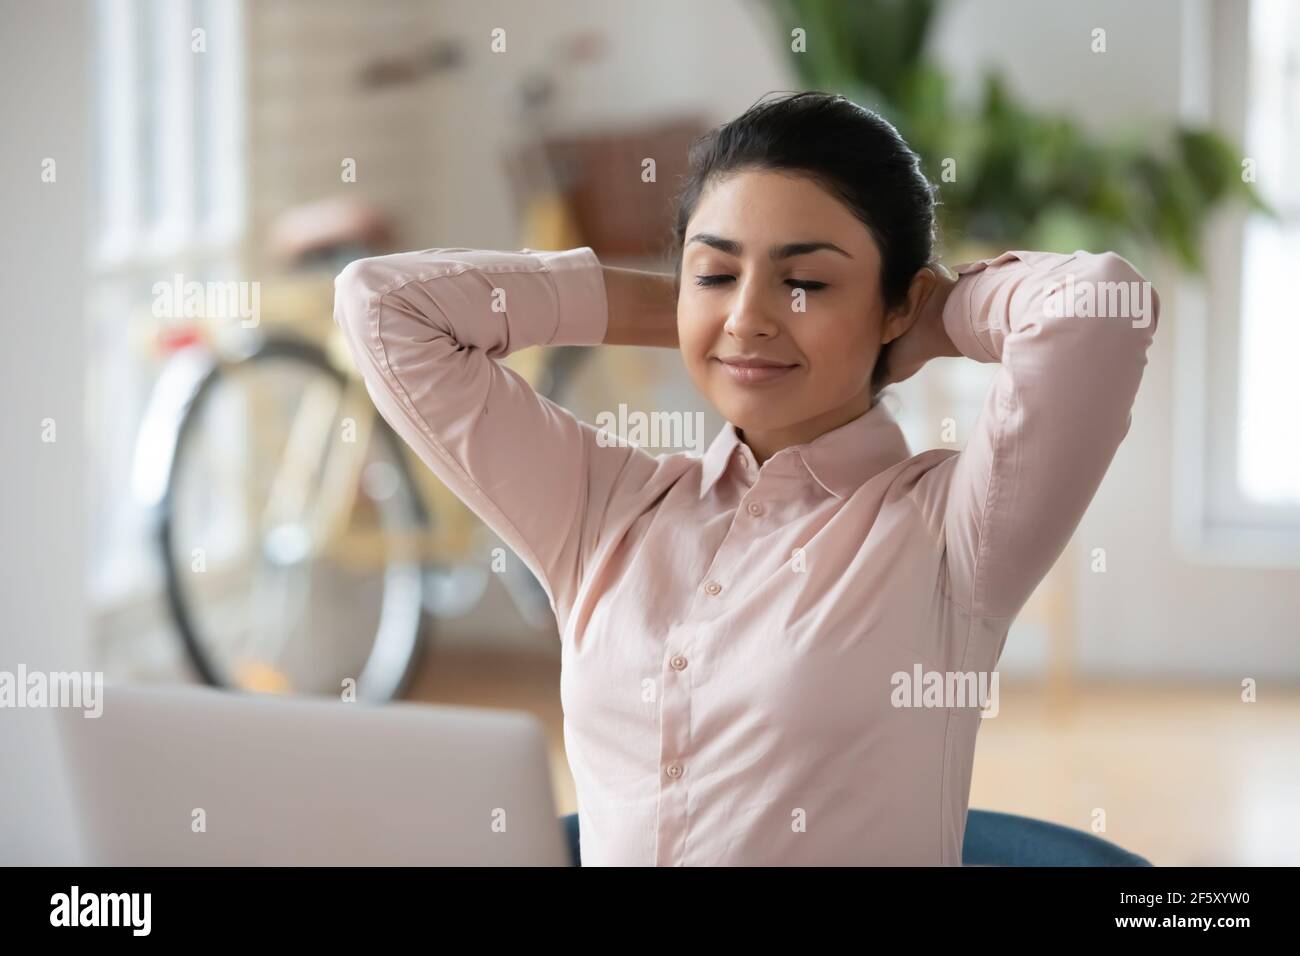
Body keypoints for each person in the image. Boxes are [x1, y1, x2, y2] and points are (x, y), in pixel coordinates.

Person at [332, 90, 1160, 866]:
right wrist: (688, 313)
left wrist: (930, 317)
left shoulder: (950, 536)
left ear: (896, 304)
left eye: (806, 281)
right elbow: (383, 307)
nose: (751, 316)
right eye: (717, 272)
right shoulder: (605, 510)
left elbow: (1095, 308)